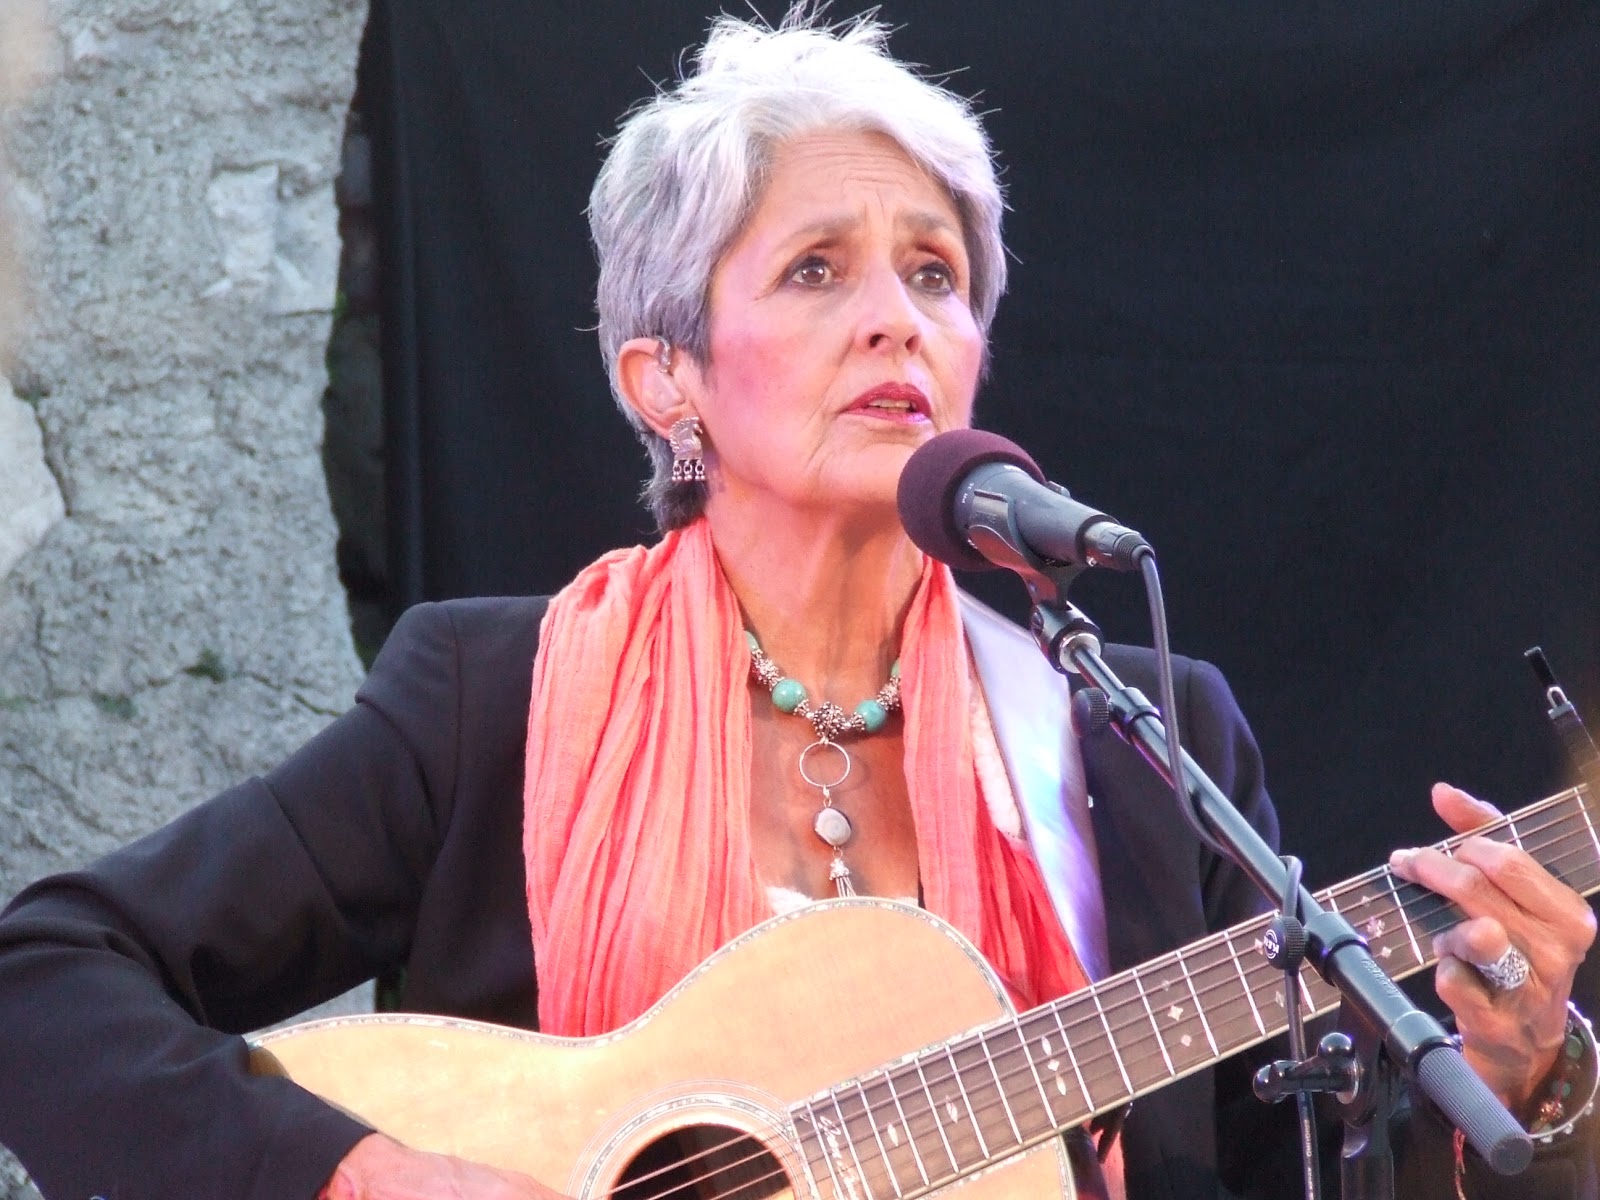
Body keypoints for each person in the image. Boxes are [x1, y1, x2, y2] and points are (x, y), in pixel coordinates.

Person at [0, 10, 1594, 1199]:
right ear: (668, 378)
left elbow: (1266, 1166)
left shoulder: (1144, 732)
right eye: (818, 270)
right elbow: (42, 980)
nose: (898, 320)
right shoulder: (490, 694)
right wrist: (363, 1179)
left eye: (937, 274)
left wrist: (1521, 1073)